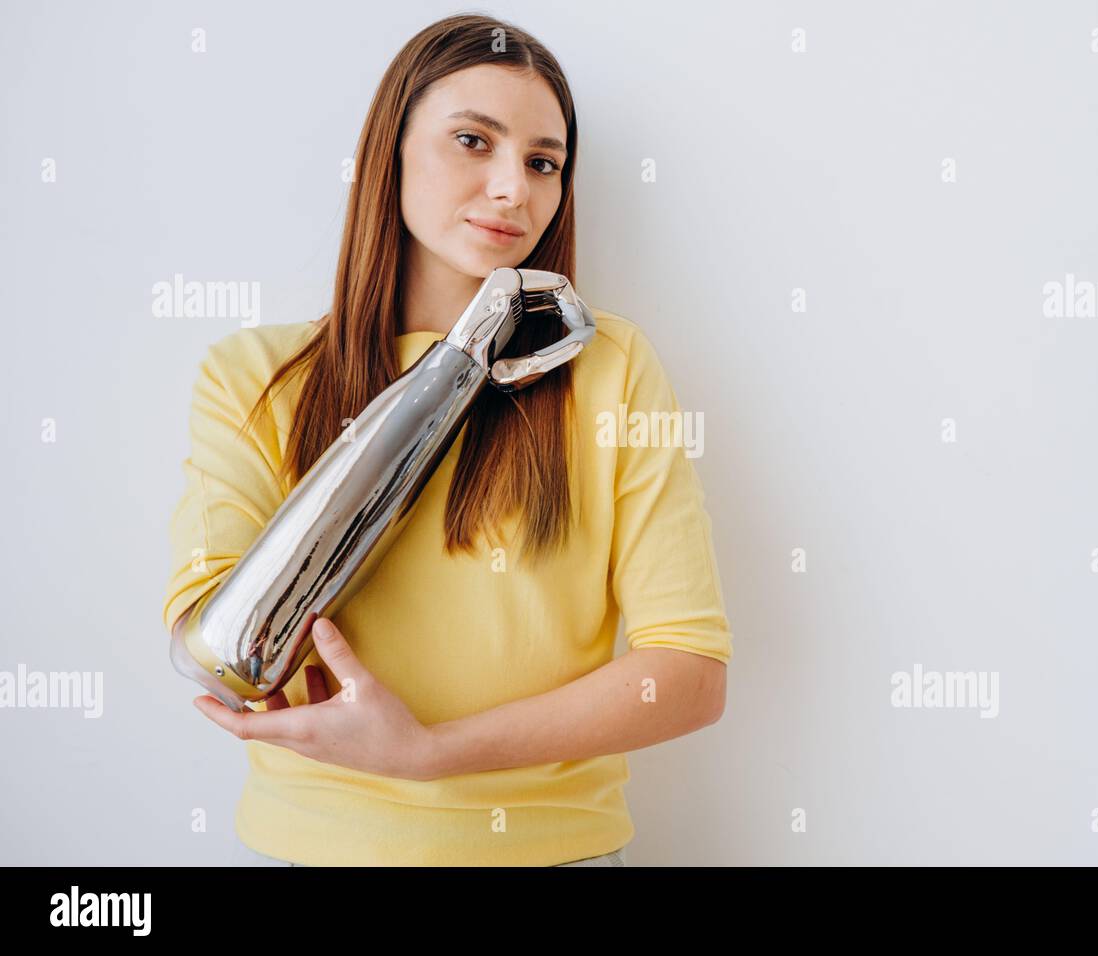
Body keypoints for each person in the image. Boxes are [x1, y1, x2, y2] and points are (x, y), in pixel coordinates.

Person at [161, 13, 733, 867]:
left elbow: (688, 674)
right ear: (387, 152)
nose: (513, 189)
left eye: (543, 163)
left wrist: (428, 754)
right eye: (474, 141)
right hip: (317, 848)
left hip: (555, 852)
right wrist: (456, 366)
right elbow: (218, 652)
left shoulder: (607, 366)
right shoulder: (254, 376)